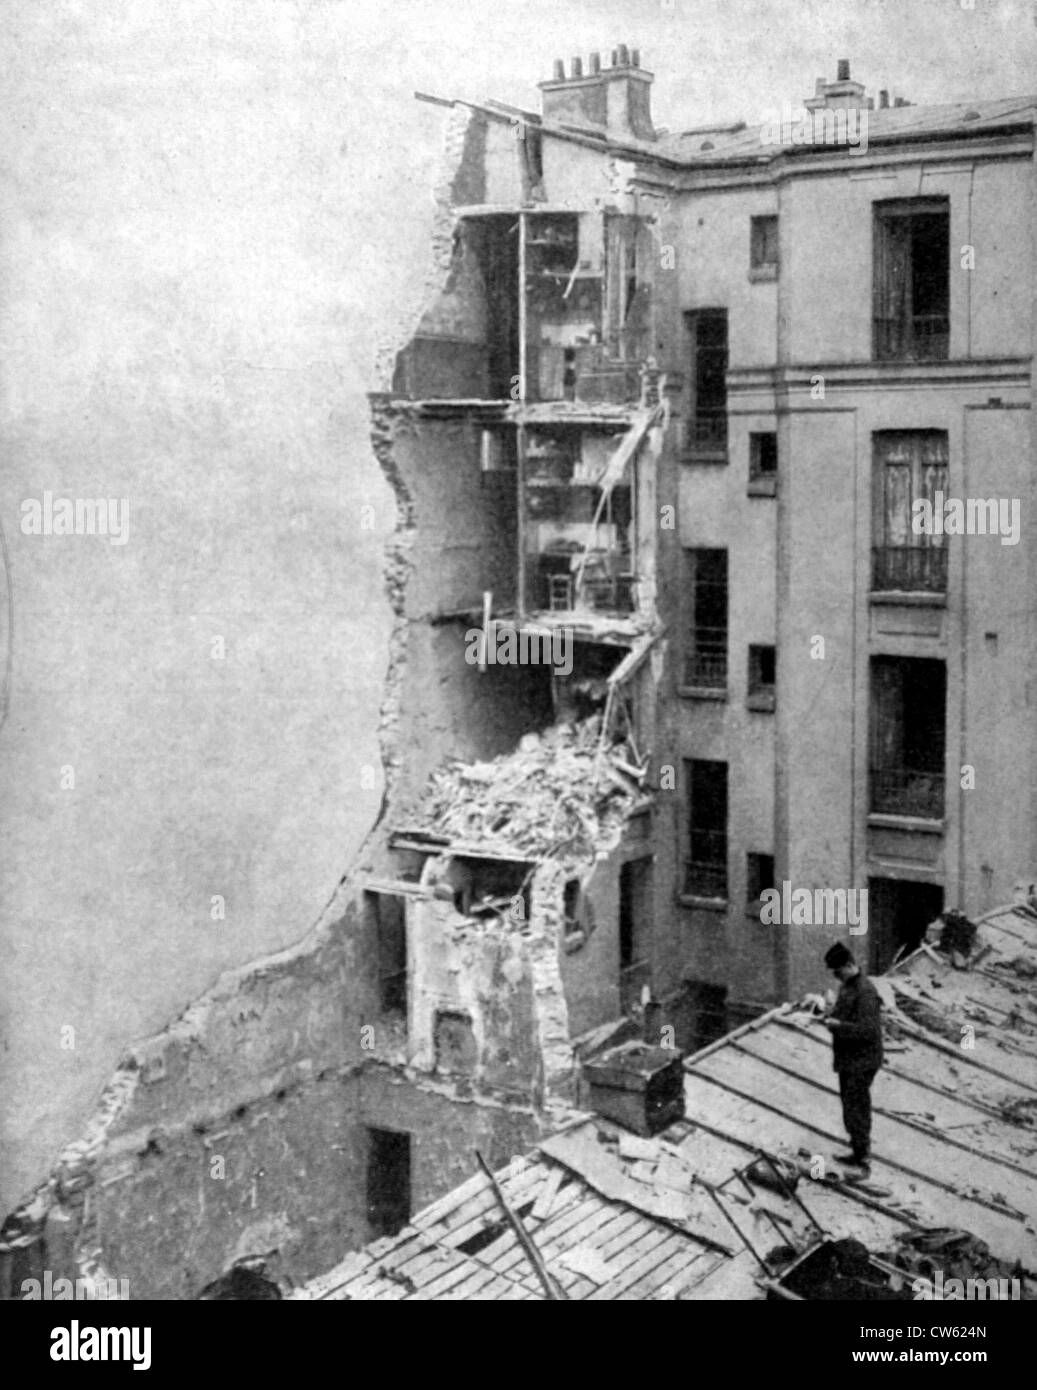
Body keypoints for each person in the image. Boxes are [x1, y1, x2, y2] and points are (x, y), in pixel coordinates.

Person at [823, 941, 883, 1174]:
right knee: (850, 1105)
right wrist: (831, 1015)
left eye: (838, 972)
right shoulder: (848, 986)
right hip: (850, 1059)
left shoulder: (866, 991)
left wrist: (837, 1026)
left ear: (849, 965)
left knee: (857, 1106)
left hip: (863, 1060)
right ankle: (857, 1150)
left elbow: (867, 1030)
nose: (836, 977)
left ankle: (861, 1154)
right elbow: (843, 1013)